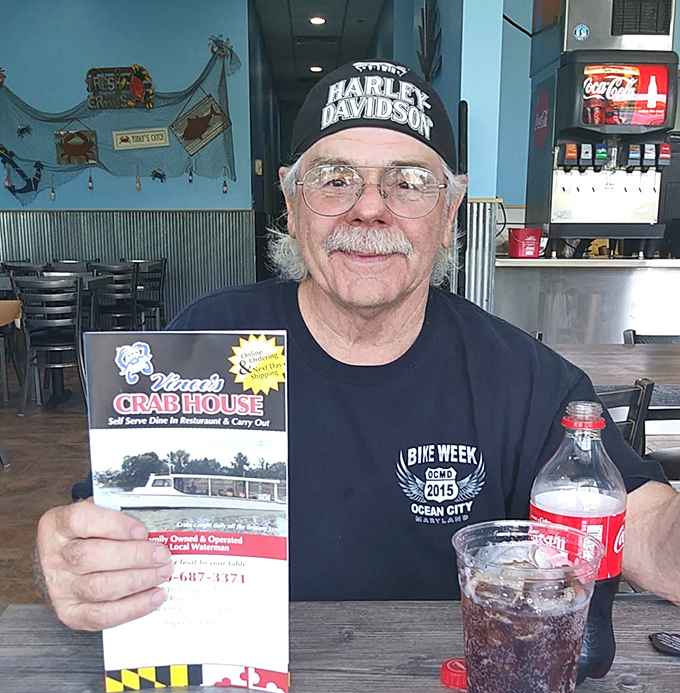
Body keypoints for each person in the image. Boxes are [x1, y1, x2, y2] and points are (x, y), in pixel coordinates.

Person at [37, 59, 680, 631]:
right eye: (335, 179)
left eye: (408, 183)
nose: (369, 209)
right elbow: (103, 525)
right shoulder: (206, 342)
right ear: (292, 202)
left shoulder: (528, 381)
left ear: (449, 211)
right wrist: (68, 562)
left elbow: (646, 526)